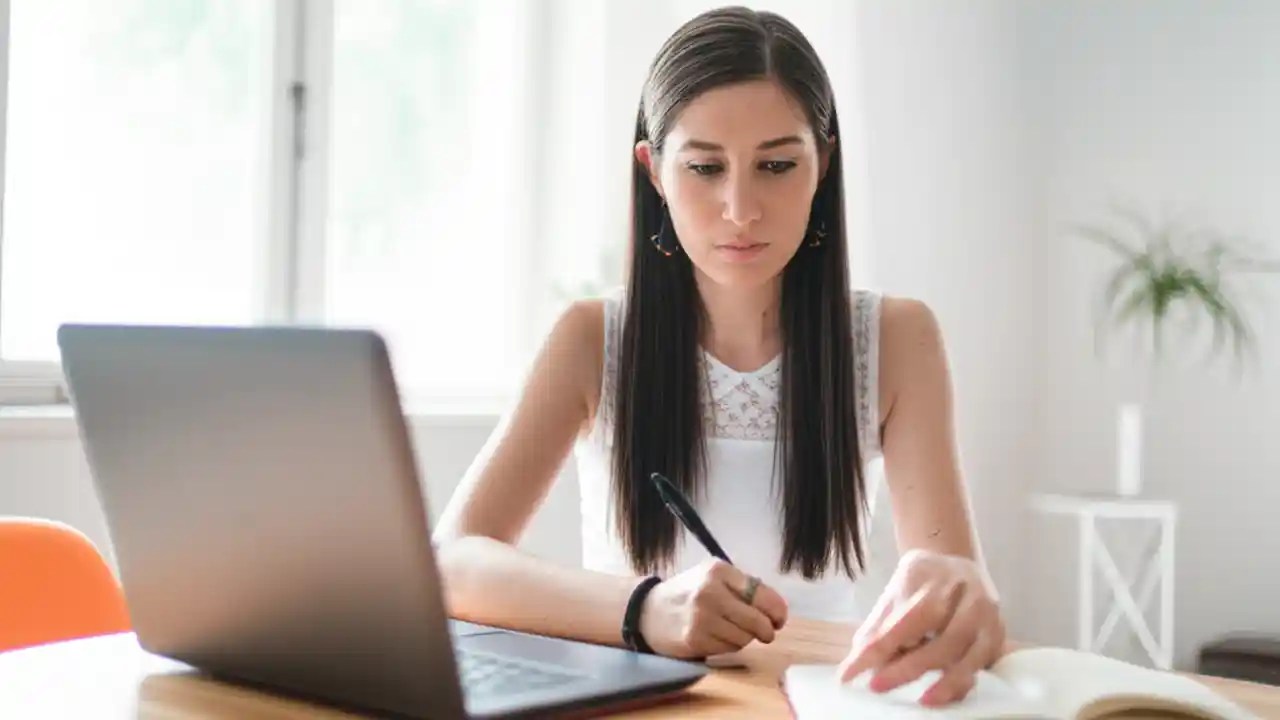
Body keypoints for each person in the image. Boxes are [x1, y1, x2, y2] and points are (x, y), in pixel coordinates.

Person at [433, 6, 1006, 707]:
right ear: (654, 171)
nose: (740, 208)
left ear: (822, 164)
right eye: (705, 166)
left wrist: (960, 593)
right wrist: (647, 610)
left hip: (821, 699)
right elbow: (454, 562)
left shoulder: (896, 338)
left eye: (775, 165)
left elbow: (947, 577)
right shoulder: (590, 338)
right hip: (642, 700)